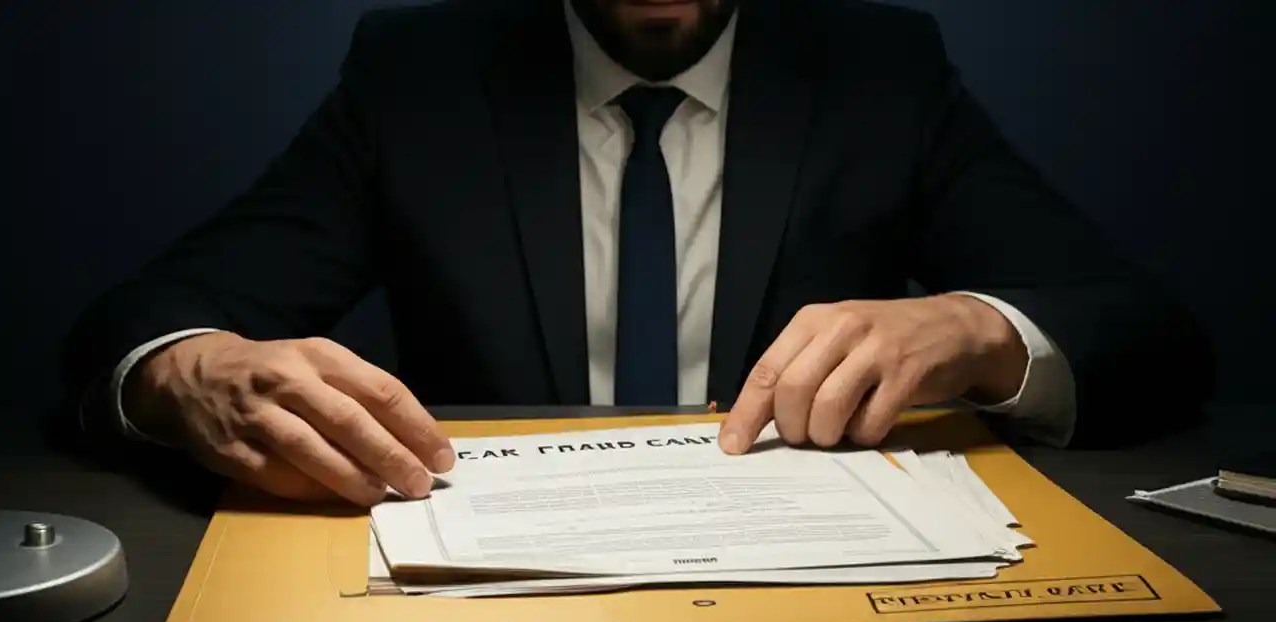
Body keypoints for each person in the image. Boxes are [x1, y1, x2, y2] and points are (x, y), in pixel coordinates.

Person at [63, 0, 1209, 507]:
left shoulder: (879, 66)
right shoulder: (415, 74)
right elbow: (150, 317)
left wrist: (978, 327)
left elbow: (1147, 332)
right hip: (491, 596)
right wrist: (184, 372)